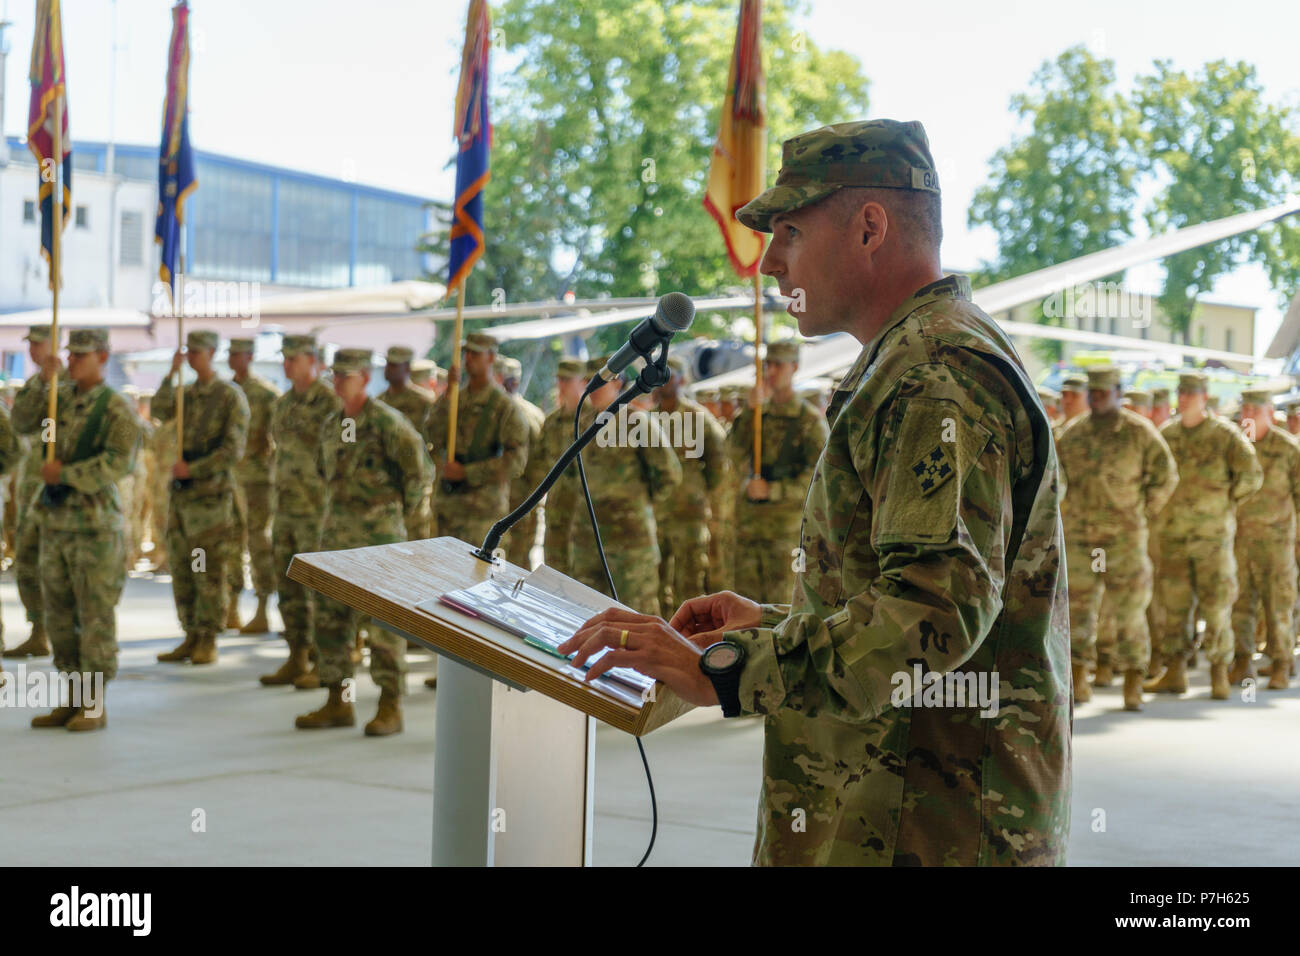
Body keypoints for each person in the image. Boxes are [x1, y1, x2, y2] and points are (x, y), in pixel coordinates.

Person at [559, 119, 1072, 866]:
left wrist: (731, 671)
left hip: (929, 826)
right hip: (889, 807)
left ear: (869, 228)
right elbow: (912, 596)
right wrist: (769, 626)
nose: (770, 264)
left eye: (790, 232)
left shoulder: (936, 372)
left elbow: (936, 612)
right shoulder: (913, 358)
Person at [294, 348, 430, 736]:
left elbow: (418, 475)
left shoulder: (389, 423)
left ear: (365, 378)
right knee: (331, 622)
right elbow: (325, 475)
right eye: (334, 376)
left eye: (346, 376)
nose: (337, 383)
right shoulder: (331, 425)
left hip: (380, 542)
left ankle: (390, 703)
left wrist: (403, 525)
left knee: (385, 625)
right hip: (337, 540)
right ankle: (339, 700)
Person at [17, 329, 140, 731]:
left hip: (93, 526)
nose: (72, 361)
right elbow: (21, 422)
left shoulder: (116, 407)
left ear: (103, 357)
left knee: (93, 614)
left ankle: (93, 703)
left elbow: (118, 462)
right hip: (55, 523)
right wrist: (41, 379)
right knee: (59, 614)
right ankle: (71, 696)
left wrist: (66, 474)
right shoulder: (59, 397)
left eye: (81, 356)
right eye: (70, 355)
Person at [1055, 366, 1177, 710]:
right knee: (1078, 607)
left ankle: (1133, 681)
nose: (1096, 399)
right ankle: (1079, 676)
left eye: (1102, 393)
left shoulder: (1139, 432)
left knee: (1129, 610)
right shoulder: (1073, 433)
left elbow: (1166, 475)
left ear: (1118, 392)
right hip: (1082, 537)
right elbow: (1058, 477)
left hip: (1123, 539)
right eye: (1092, 394)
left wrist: (1144, 510)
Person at [1147, 371, 1261, 699]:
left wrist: (1224, 503)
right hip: (1175, 536)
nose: (1184, 398)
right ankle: (1176, 672)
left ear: (1204, 395)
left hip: (1212, 539)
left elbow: (1251, 476)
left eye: (1191, 393)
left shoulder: (1225, 434)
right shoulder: (1167, 434)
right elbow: (1155, 475)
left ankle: (1218, 674)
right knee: (1175, 607)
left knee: (1217, 606)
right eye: (1181, 393)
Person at [153, 330, 250, 665]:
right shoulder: (186, 394)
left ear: (212, 352)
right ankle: (190, 633)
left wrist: (192, 469)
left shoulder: (228, 395)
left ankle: (208, 636)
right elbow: (159, 409)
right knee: (182, 568)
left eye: (196, 351)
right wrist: (170, 372)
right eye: (187, 351)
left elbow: (233, 450)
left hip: (210, 500)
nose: (191, 356)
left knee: (207, 569)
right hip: (182, 499)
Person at [567, 358, 681, 614]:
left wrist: (635, 505)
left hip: (630, 545)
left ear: (618, 382)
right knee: (584, 614)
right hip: (588, 540)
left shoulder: (637, 422)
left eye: (599, 382)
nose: (592, 388)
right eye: (588, 382)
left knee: (634, 617)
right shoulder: (582, 423)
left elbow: (669, 474)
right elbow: (573, 476)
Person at [260, 334, 341, 688]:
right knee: (288, 585)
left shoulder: (331, 403)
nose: (287, 364)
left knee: (317, 589)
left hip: (317, 510)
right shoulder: (282, 404)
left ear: (314, 360)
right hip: (286, 508)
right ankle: (296, 655)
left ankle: (324, 662)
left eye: (294, 358)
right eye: (285, 358)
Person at [725, 340, 828, 604]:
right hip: (750, 527)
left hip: (785, 531)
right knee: (743, 604)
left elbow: (820, 479)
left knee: (781, 604)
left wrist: (774, 490)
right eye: (767, 365)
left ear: (794, 367)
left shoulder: (809, 421)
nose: (770, 372)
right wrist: (748, 411)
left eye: (778, 365)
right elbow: (733, 452)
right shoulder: (757, 414)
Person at [1230, 389, 1299, 690]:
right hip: (1240, 540)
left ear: (1269, 413)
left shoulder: (1287, 448)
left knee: (1278, 603)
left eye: (1255, 411)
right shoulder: (1235, 445)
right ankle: (1243, 661)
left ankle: (1282, 662)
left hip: (1277, 542)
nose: (1248, 416)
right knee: (1241, 603)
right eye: (1245, 409)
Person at [651, 355, 728, 618]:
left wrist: (699, 494)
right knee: (654, 584)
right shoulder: (647, 420)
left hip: (690, 517)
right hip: (656, 516)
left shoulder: (699, 417)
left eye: (669, 375)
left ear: (682, 379)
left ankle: (689, 640)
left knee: (690, 584)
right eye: (660, 376)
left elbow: (719, 462)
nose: (663, 382)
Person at [4, 326, 59, 659]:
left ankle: (62, 632)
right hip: (30, 487)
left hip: (59, 490)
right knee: (27, 560)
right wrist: (41, 383)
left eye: (39, 344)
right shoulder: (34, 386)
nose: (34, 351)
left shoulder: (71, 388)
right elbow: (20, 423)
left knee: (57, 564)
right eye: (31, 346)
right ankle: (38, 629)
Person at [227, 338, 281, 633]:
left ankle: (262, 608)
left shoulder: (266, 394)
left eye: (238, 354)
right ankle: (231, 605)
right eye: (230, 354)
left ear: (250, 356)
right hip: (230, 480)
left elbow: (279, 439)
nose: (233, 359)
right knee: (230, 542)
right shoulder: (225, 392)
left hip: (258, 481)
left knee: (259, 542)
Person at [377, 345, 438, 540]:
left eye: (395, 365)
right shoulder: (379, 403)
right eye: (388, 364)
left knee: (414, 547)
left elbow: (437, 443)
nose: (389, 369)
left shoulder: (425, 402)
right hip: (384, 488)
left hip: (414, 486)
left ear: (407, 369)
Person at [495, 354, 546, 568]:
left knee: (514, 569)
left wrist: (530, 507)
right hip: (490, 505)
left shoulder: (530, 416)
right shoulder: (490, 411)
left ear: (513, 383)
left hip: (518, 508)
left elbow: (540, 468)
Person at [539, 358, 585, 575]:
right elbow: (538, 466)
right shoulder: (551, 422)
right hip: (556, 515)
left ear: (583, 382)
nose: (561, 385)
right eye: (559, 379)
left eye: (567, 379)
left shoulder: (594, 423)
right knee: (553, 578)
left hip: (583, 521)